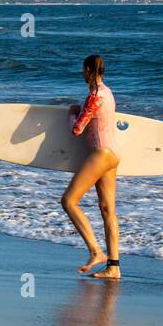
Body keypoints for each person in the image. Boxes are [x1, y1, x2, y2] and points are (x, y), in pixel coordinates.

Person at [62, 54, 120, 279]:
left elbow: (77, 129)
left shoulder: (95, 96)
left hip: (101, 154)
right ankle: (114, 267)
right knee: (107, 210)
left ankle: (96, 252)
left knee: (68, 201)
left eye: (83, 69)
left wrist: (71, 114)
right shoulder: (109, 92)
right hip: (114, 154)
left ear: (88, 70)